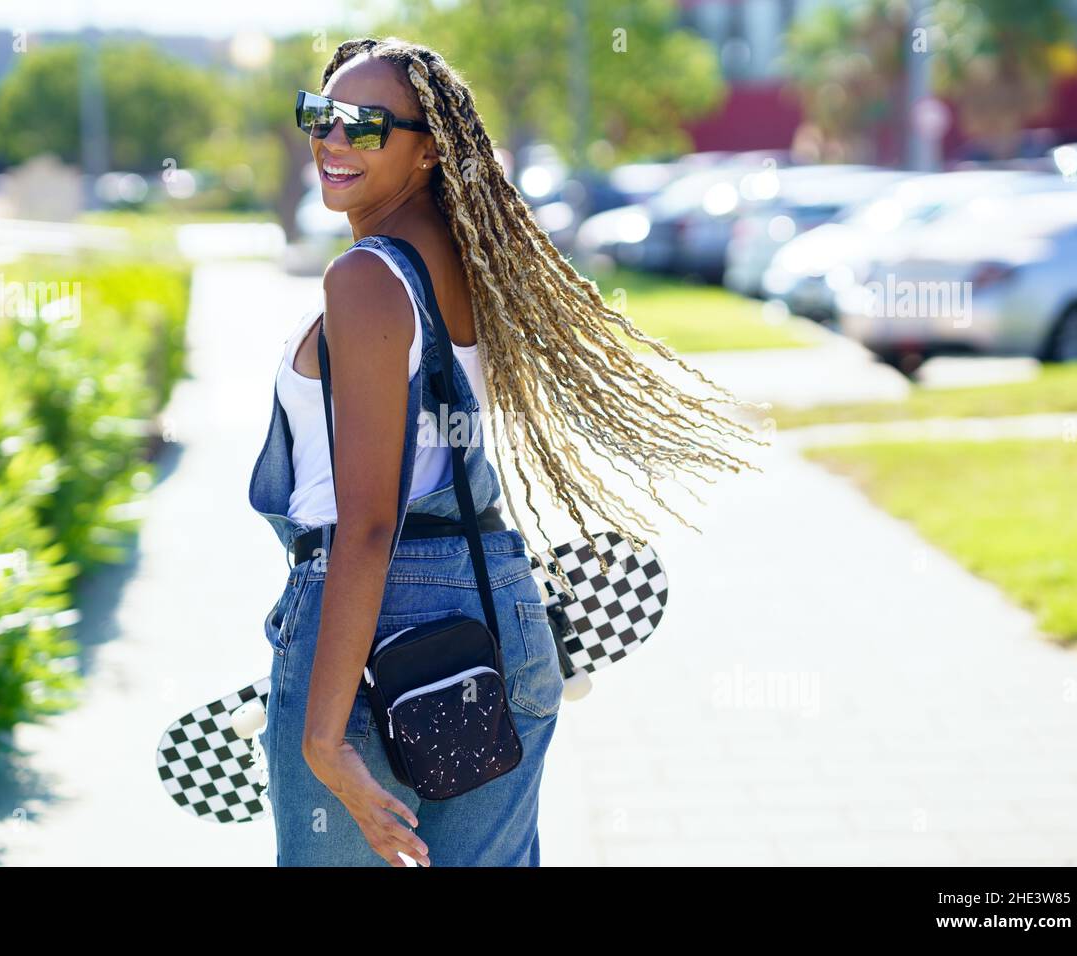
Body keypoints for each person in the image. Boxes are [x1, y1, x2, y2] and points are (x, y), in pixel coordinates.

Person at [246, 36, 758, 866]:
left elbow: (369, 523)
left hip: (374, 621)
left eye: (365, 126)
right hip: (497, 609)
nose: (332, 142)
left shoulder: (367, 278)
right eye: (321, 116)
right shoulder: (469, 261)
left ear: (429, 149)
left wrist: (327, 739)